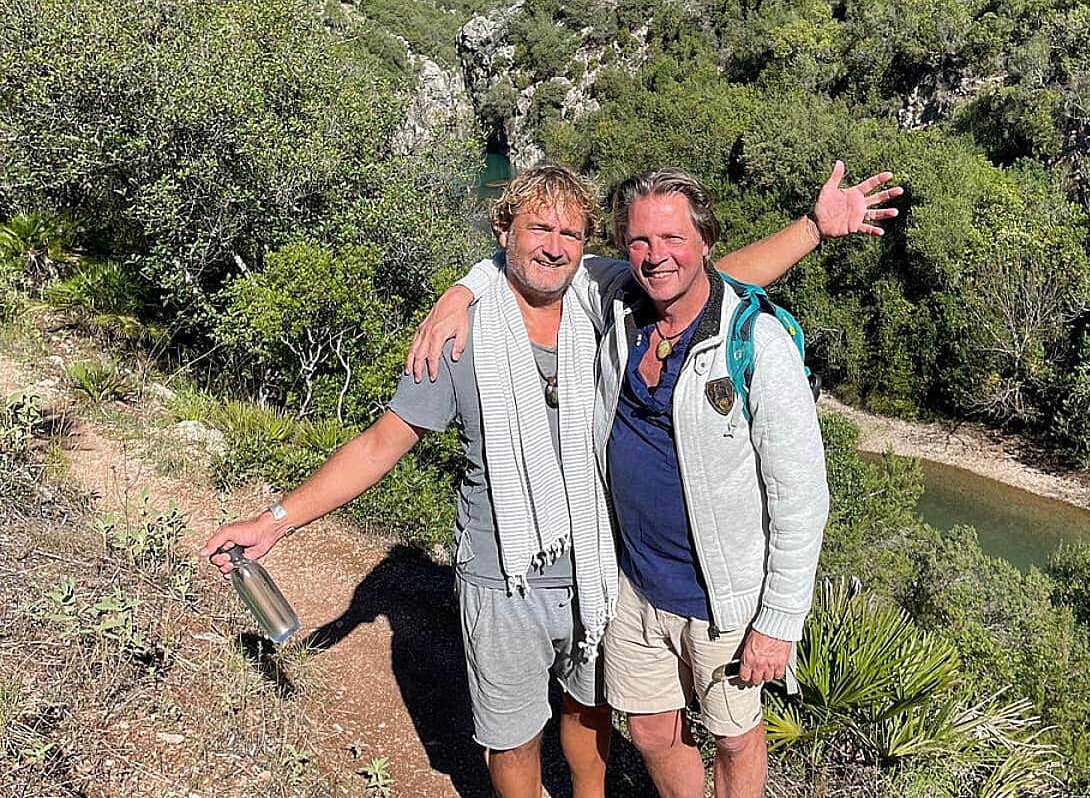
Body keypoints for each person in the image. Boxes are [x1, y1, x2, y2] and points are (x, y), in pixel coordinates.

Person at [201, 164, 861, 798]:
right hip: (503, 571)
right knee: (513, 735)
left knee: (590, 711)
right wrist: (275, 520)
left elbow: (705, 279)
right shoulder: (456, 335)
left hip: (600, 568)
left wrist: (814, 227)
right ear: (503, 232)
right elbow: (379, 445)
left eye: (570, 233)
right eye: (538, 229)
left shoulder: (605, 301)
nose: (554, 247)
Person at [414, 163, 901, 798]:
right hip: (632, 588)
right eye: (639, 241)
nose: (656, 255)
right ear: (621, 248)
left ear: (705, 243)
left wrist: (778, 619)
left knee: (733, 738)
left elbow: (802, 497)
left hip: (722, 598)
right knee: (647, 731)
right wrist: (464, 290)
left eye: (673, 239)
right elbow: (526, 258)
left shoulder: (755, 341)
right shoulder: (619, 308)